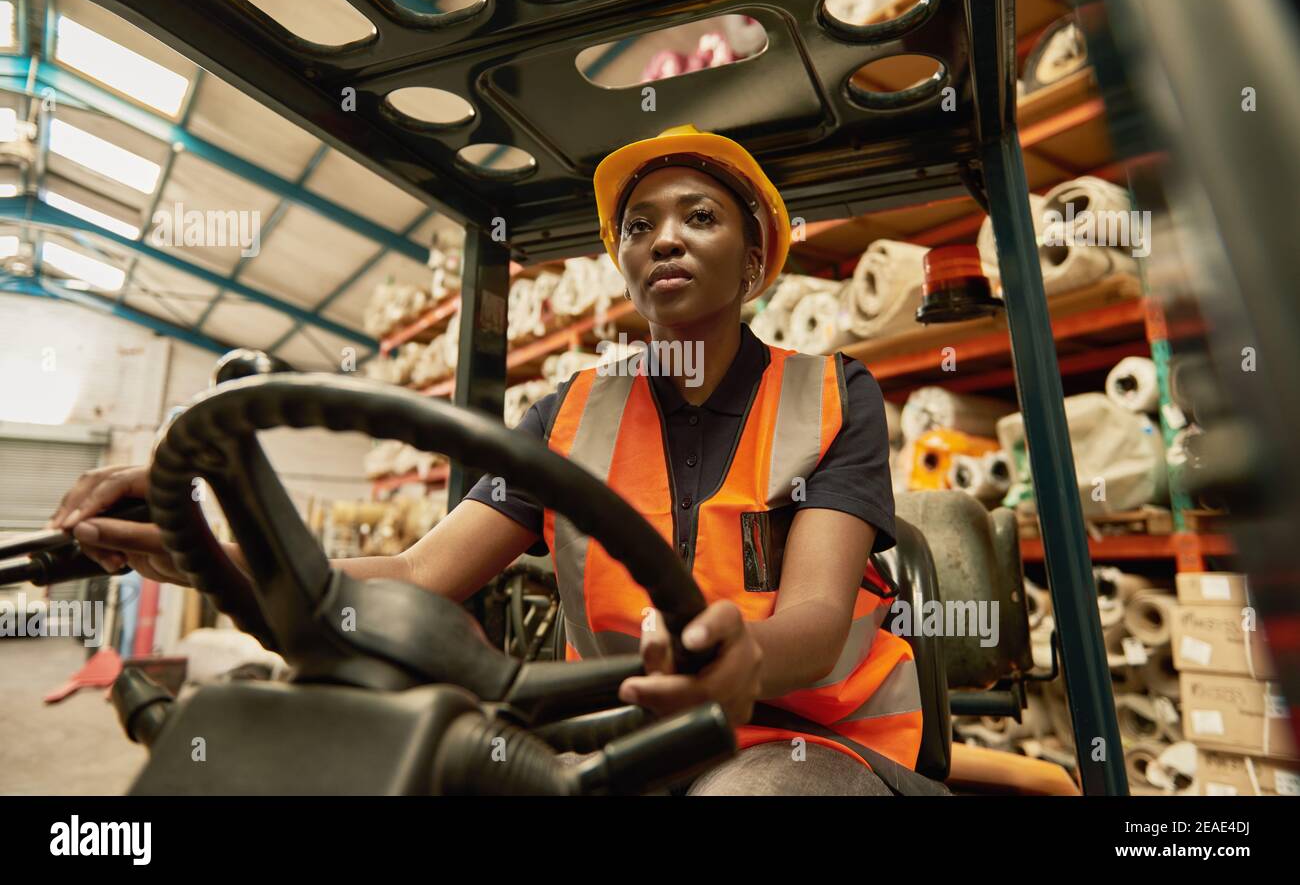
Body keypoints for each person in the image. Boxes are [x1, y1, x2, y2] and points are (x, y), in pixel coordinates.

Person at [48, 125, 922, 795]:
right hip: (622, 738)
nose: (665, 239)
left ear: (755, 261)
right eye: (640, 224)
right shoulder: (567, 415)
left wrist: (742, 662)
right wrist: (191, 543)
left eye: (700, 216)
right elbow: (415, 570)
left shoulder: (833, 394)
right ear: (621, 265)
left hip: (801, 738)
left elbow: (813, 618)